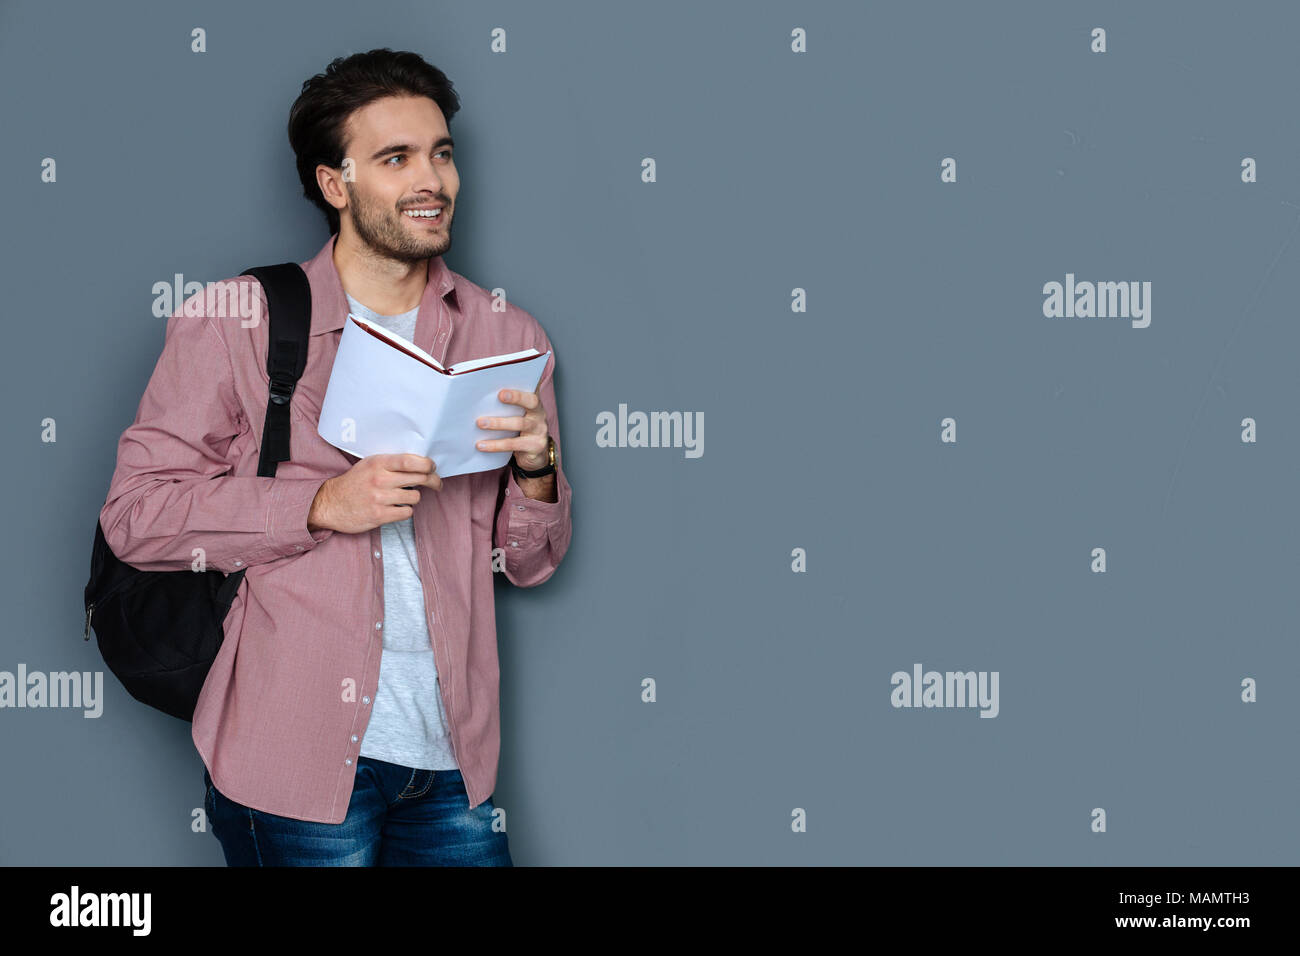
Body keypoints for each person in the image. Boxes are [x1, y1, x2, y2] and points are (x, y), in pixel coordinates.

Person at [99, 48, 573, 866]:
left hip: (455, 763)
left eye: (441, 152)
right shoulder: (236, 318)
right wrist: (319, 505)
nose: (434, 179)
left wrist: (538, 473)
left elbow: (529, 566)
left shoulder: (509, 336)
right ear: (334, 183)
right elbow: (135, 518)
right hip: (291, 762)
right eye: (396, 158)